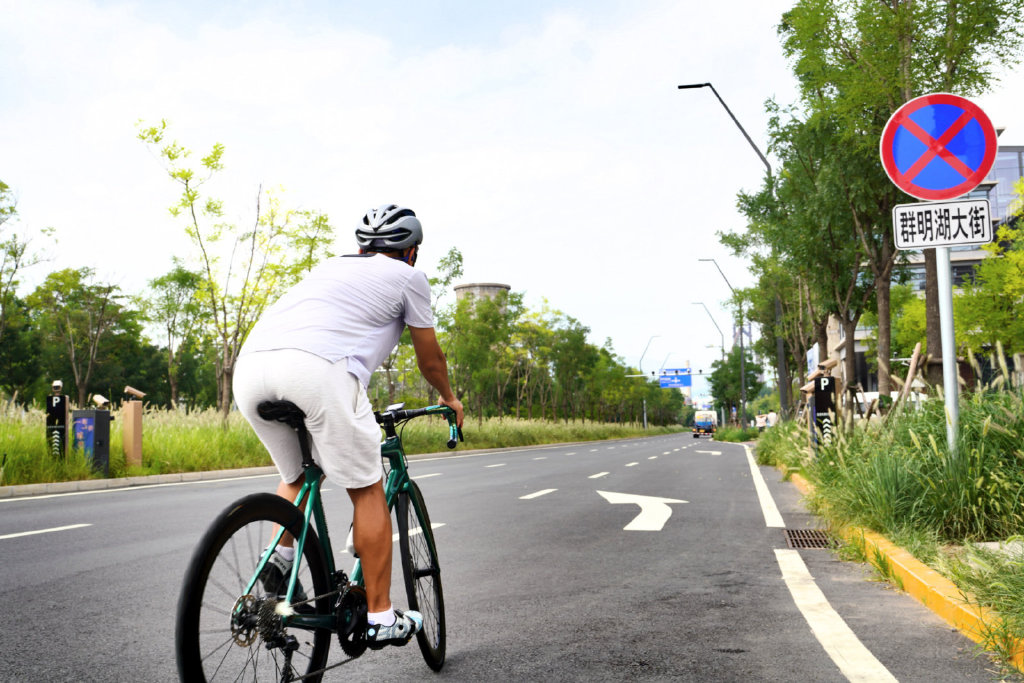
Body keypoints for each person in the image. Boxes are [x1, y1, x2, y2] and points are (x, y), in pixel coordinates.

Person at [233, 204, 465, 648]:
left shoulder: (328, 270)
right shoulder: (408, 277)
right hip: (318, 371)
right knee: (367, 487)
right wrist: (449, 398)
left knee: (295, 476)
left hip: (251, 371)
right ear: (411, 252)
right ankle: (379, 615)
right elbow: (430, 359)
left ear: (361, 247)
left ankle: (278, 561)